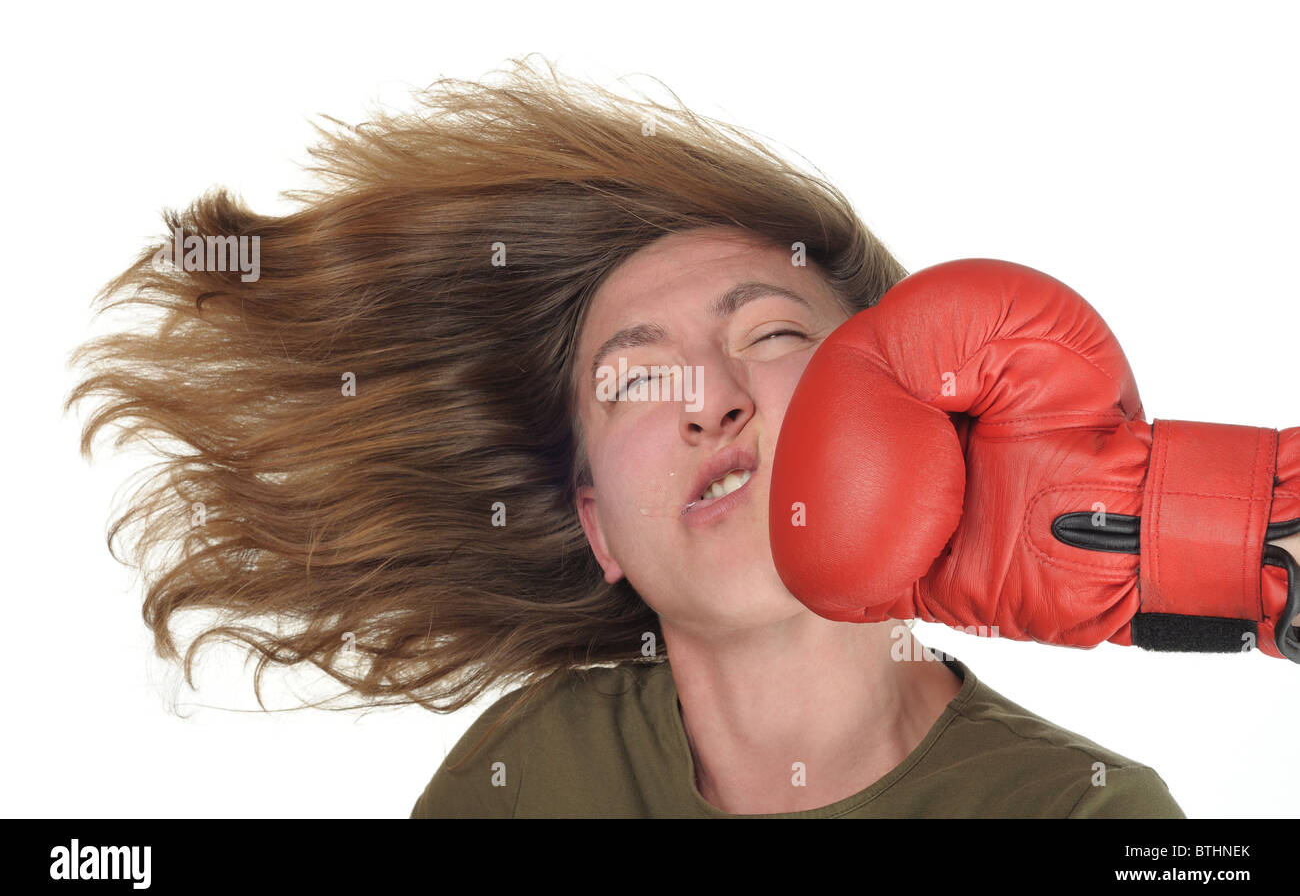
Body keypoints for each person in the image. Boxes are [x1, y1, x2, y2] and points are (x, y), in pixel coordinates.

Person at [64, 54, 1186, 818]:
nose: (709, 395)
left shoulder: (1088, 813)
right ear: (600, 525)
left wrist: (1231, 540)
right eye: (635, 375)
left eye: (775, 330)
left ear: (906, 417)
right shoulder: (531, 773)